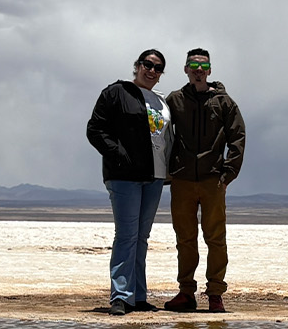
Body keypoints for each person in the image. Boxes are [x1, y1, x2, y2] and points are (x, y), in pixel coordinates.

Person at [85, 49, 173, 315]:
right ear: (137, 66)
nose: (152, 71)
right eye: (147, 64)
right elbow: (95, 129)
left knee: (141, 238)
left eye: (158, 68)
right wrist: (119, 155)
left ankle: (138, 296)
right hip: (125, 176)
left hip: (155, 177)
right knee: (126, 235)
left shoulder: (161, 101)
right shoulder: (116, 93)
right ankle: (121, 296)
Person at [162, 48, 245, 313]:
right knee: (185, 238)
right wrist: (167, 169)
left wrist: (228, 173)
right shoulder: (174, 100)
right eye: (193, 65)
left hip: (212, 181)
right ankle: (186, 292)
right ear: (186, 69)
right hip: (182, 180)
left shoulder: (224, 102)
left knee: (215, 238)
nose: (198, 70)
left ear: (209, 70)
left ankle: (215, 294)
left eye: (203, 65)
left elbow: (237, 138)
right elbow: (160, 132)